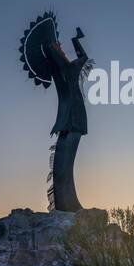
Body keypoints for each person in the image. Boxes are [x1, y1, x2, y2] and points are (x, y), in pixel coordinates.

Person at [44, 28, 89, 212]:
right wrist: (76, 40)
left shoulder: (58, 72)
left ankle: (66, 202)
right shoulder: (68, 69)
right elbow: (83, 57)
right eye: (59, 47)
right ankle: (68, 204)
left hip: (66, 118)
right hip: (74, 117)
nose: (62, 50)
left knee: (64, 163)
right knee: (65, 162)